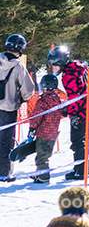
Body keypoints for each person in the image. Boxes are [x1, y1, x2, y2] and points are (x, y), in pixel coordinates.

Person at [47, 46, 89, 181]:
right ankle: (86, 168)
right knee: (84, 139)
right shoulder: (80, 68)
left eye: (55, 65)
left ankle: (81, 171)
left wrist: (71, 112)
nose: (54, 68)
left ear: (61, 62)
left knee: (77, 141)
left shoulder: (69, 74)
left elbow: (75, 96)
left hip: (81, 112)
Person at [0, 34, 35, 182]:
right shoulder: (18, 66)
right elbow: (29, 90)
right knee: (6, 141)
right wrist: (21, 98)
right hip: (8, 109)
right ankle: (4, 172)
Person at [30, 73, 65, 183]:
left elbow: (36, 116)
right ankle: (40, 173)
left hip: (43, 133)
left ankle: (43, 176)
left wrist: (32, 128)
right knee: (46, 154)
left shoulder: (43, 101)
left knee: (41, 156)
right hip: (53, 133)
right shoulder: (57, 100)